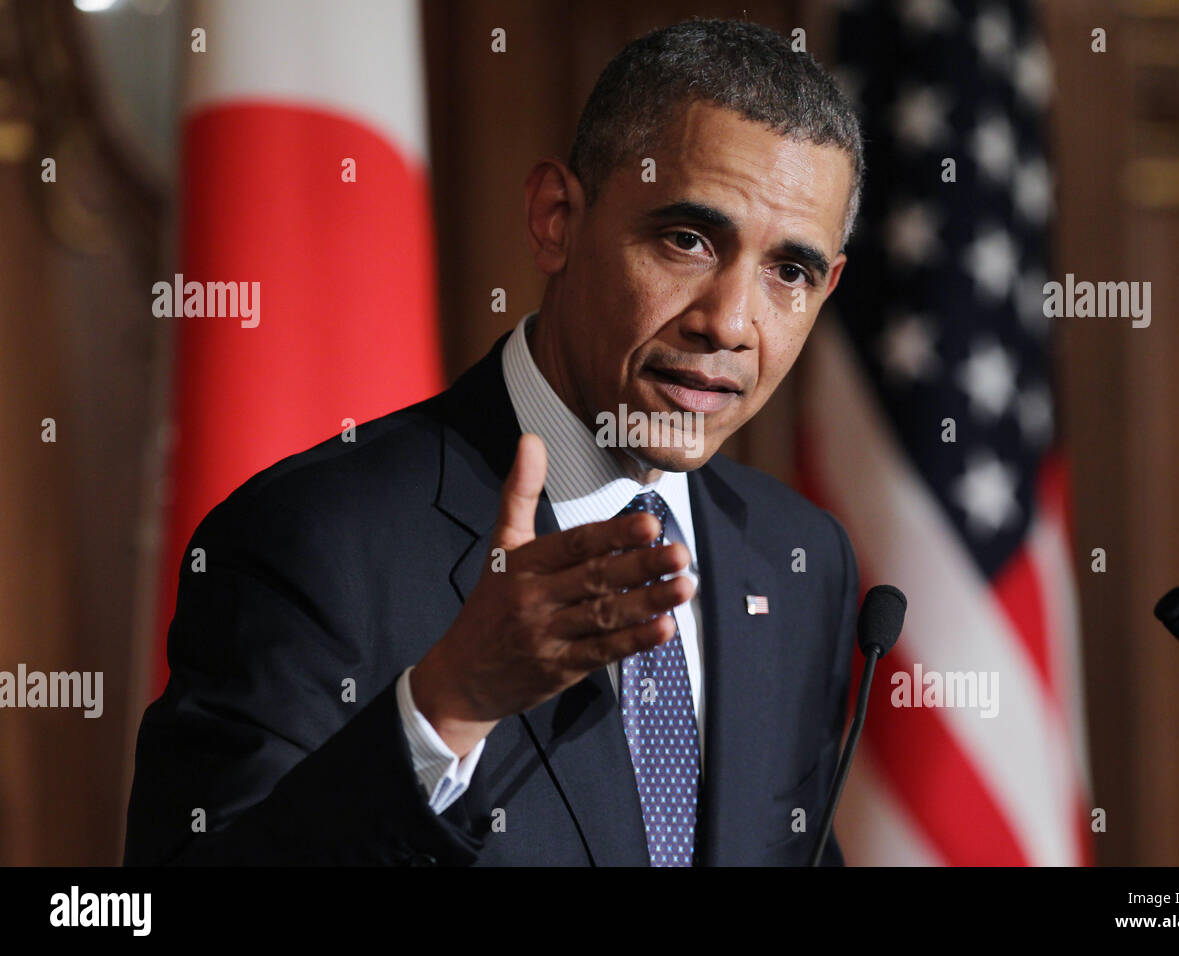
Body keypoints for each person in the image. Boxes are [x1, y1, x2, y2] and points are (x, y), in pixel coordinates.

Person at [126, 17, 865, 866]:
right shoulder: (313, 538)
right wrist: (446, 706)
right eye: (687, 239)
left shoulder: (799, 558)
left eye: (790, 272)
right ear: (555, 218)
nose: (730, 322)